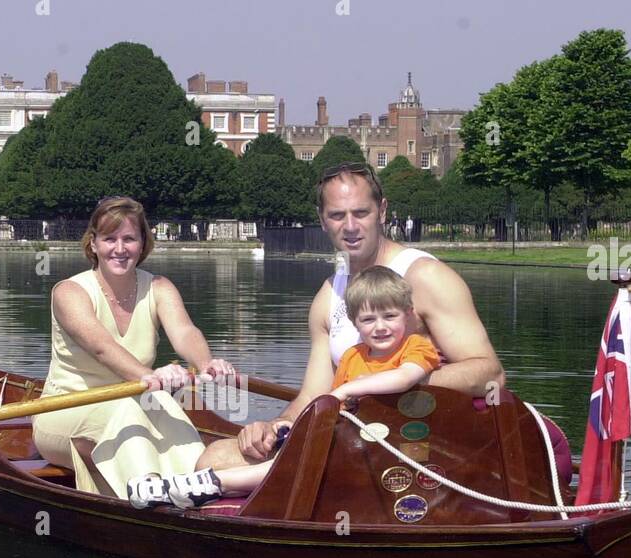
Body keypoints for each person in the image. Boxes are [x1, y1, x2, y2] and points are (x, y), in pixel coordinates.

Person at [196, 161, 506, 474]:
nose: (351, 226)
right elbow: (314, 394)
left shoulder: (427, 277)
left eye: (361, 213)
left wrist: (389, 384)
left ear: (382, 211)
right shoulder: (327, 296)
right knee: (215, 459)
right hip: (352, 438)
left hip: (419, 447)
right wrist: (275, 426)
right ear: (322, 220)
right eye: (337, 215)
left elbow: (491, 375)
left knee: (225, 467)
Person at [129, 266, 440, 508]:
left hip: (391, 449)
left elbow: (405, 377)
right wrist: (291, 425)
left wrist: (346, 391)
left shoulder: (415, 347)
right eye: (369, 319)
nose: (381, 326)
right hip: (350, 441)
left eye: (390, 316)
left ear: (409, 316)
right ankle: (191, 485)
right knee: (289, 449)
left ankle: (206, 484)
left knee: (290, 465)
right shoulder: (353, 355)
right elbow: (336, 410)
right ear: (356, 324)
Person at [31, 197, 236, 497]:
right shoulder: (69, 292)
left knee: (165, 403)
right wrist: (149, 377)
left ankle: (200, 483)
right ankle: (148, 490)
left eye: (129, 239)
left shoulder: (159, 287)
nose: (119, 248)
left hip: (134, 404)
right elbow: (102, 348)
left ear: (143, 244)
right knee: (129, 407)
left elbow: (184, 331)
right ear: (93, 244)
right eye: (109, 238)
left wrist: (206, 364)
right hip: (63, 412)